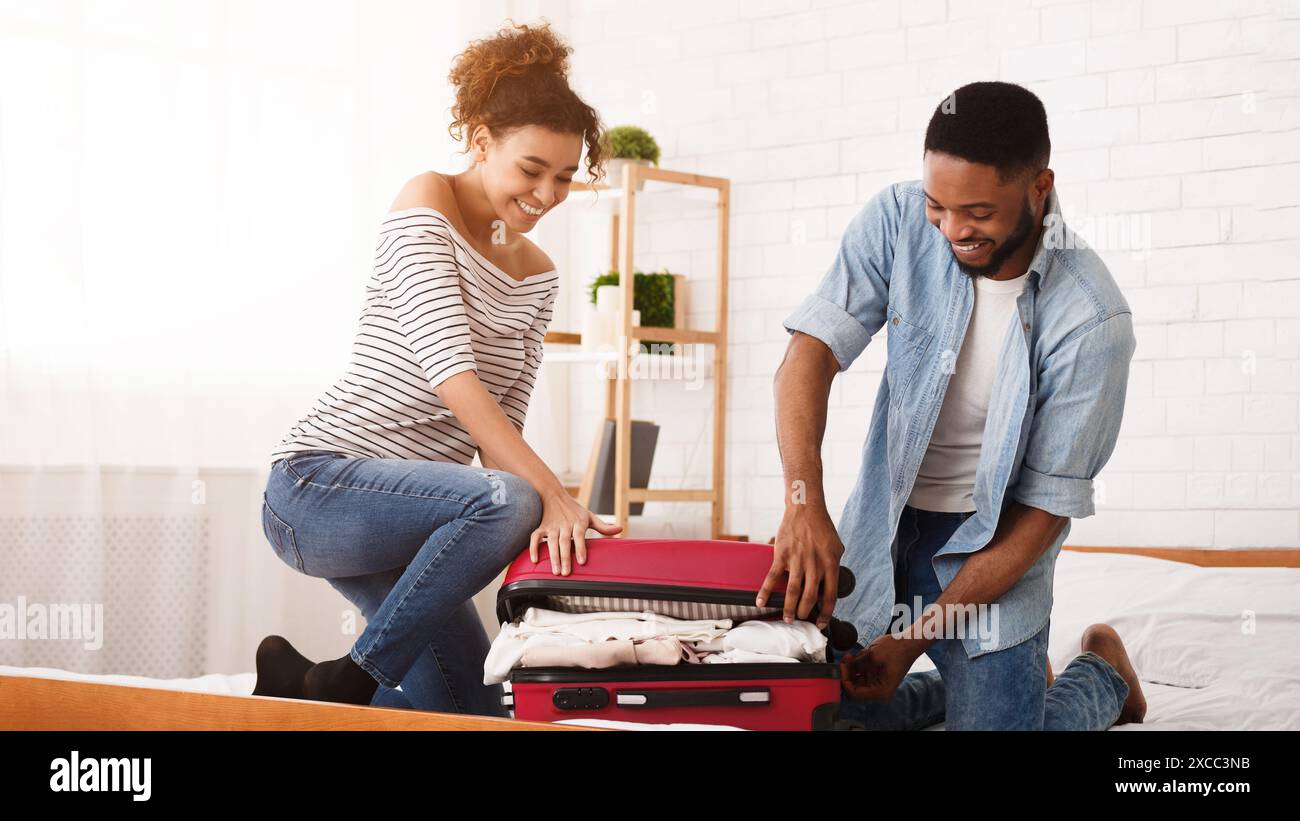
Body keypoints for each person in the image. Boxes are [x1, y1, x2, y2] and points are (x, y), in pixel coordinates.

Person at [253, 21, 619, 716]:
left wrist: (549, 516)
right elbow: (455, 379)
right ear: (481, 142)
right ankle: (351, 678)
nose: (546, 194)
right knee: (509, 499)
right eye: (531, 169)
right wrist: (551, 495)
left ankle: (299, 684)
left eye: (565, 177)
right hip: (315, 486)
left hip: (413, 519)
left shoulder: (538, 275)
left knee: (472, 711)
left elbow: (499, 428)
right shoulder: (426, 203)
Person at [766, 81, 1146, 730]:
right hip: (882, 524)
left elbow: (1041, 520)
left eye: (977, 212)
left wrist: (908, 640)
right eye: (937, 206)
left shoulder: (1090, 318)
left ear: (1039, 187)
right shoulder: (898, 218)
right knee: (824, 718)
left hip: (993, 551)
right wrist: (803, 501)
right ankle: (947, 692)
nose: (952, 230)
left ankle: (1102, 673)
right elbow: (809, 354)